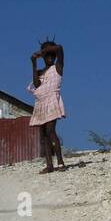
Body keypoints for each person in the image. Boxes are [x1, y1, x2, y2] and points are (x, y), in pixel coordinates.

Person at [29, 40, 66, 173]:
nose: (50, 57)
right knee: (44, 135)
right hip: (41, 103)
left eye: (52, 55)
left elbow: (59, 48)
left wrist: (42, 52)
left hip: (51, 102)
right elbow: (36, 84)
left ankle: (60, 163)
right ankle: (49, 165)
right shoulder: (41, 71)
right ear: (43, 58)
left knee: (51, 131)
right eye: (47, 55)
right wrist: (34, 63)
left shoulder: (58, 67)